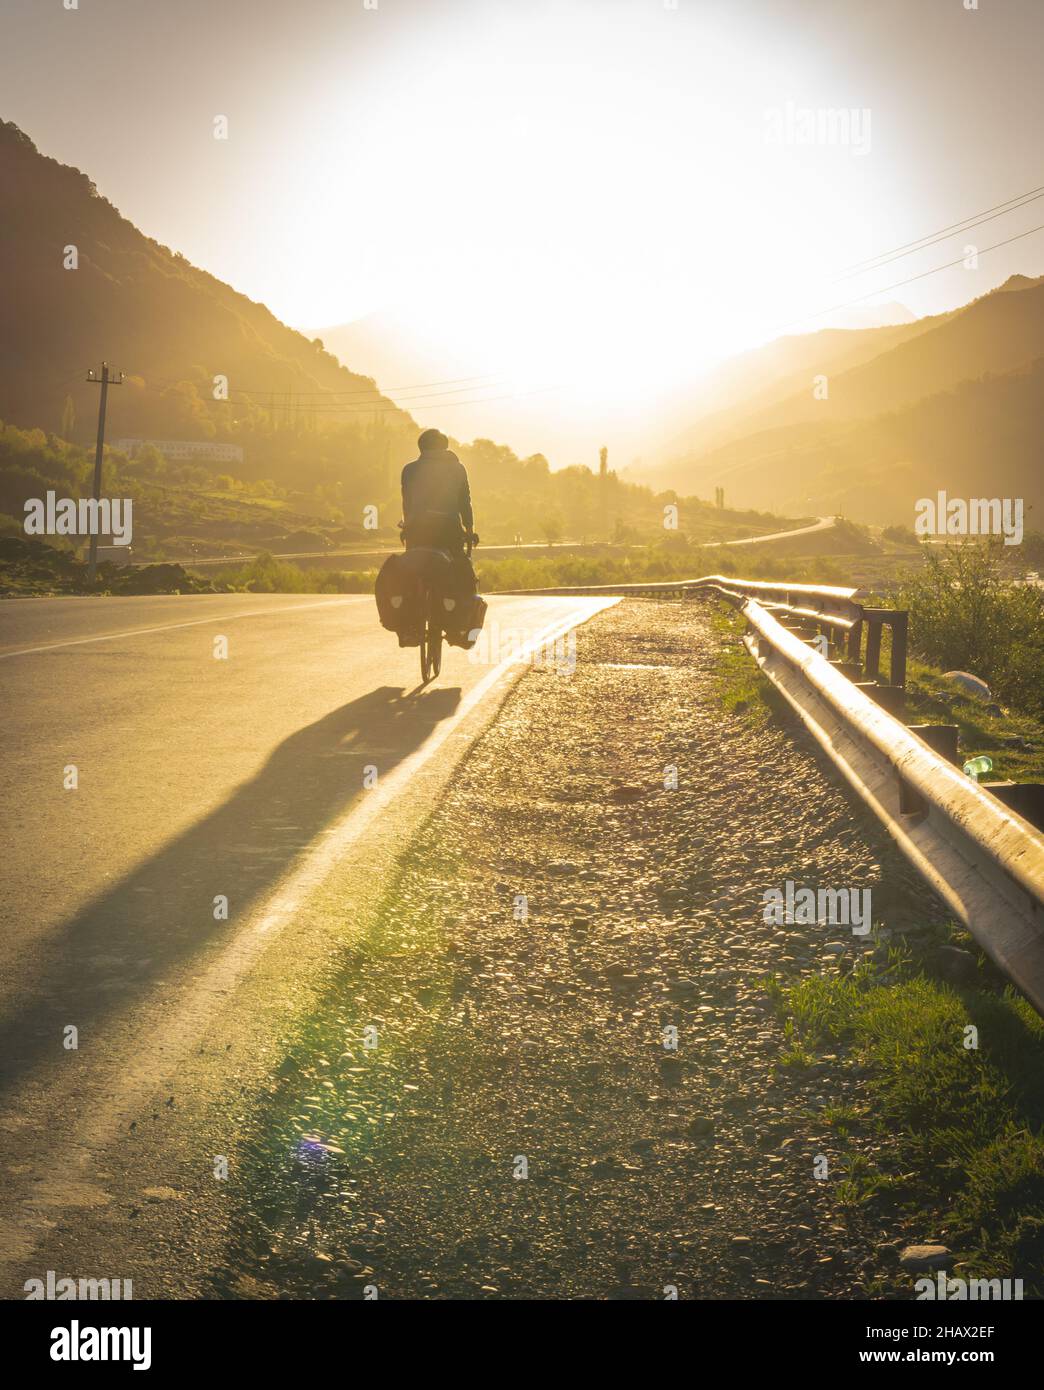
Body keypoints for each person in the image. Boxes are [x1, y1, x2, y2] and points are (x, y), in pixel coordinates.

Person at [400, 428, 476, 554]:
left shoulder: (409, 470)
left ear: (421, 448)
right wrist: (469, 532)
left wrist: (407, 528)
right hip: (449, 529)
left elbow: (407, 505)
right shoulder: (458, 468)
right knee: (462, 570)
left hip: (418, 530)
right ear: (444, 447)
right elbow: (465, 503)